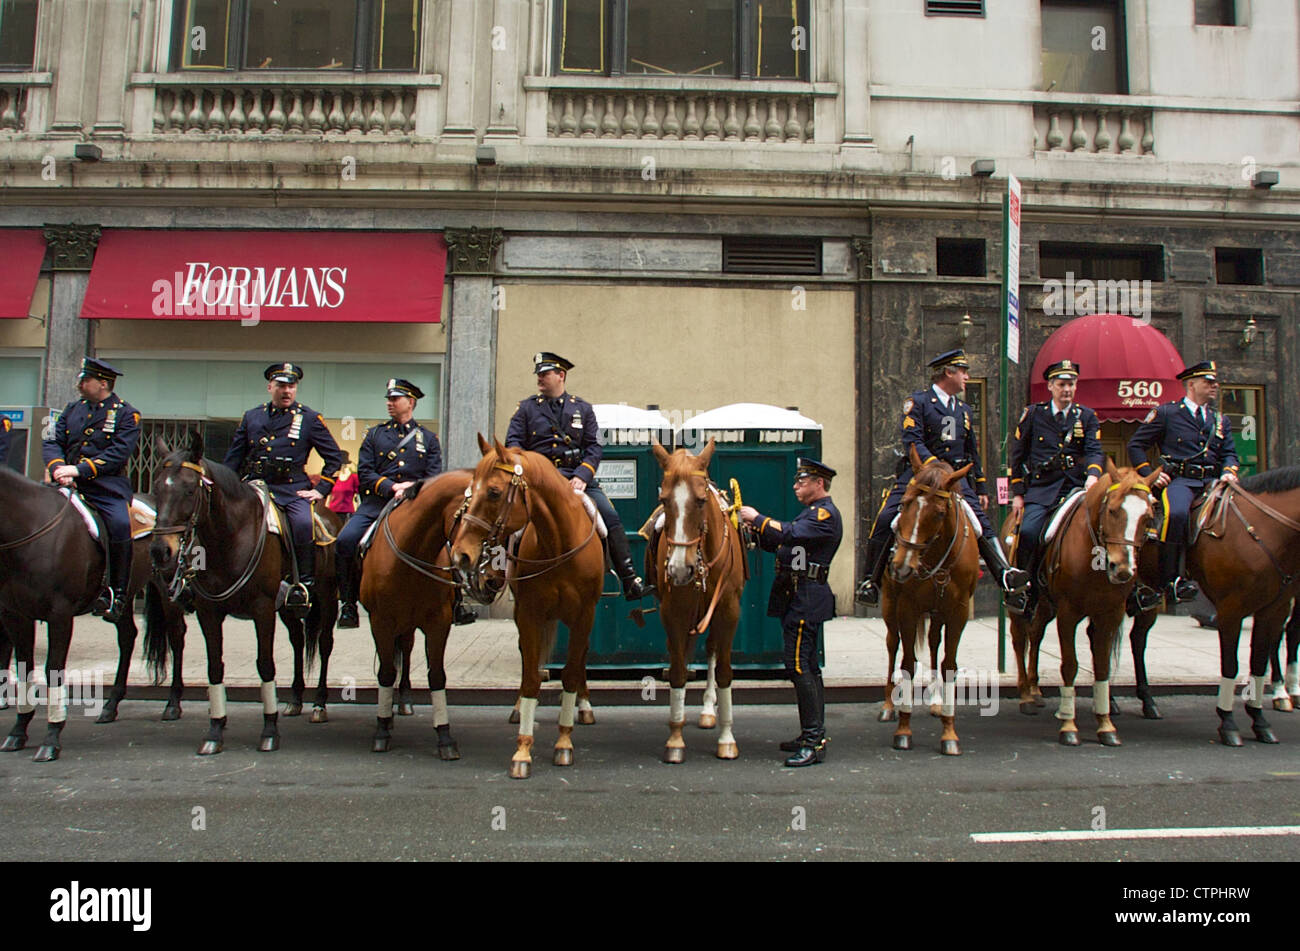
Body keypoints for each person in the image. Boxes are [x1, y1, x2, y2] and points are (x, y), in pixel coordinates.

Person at [857, 349, 1029, 609]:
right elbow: (912, 441)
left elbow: (972, 450)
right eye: (963, 372)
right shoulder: (918, 403)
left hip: (954, 479)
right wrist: (934, 469)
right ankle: (870, 581)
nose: (966, 377)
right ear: (948, 372)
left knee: (981, 525)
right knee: (887, 519)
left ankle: (1005, 576)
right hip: (919, 475)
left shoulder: (963, 410)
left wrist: (979, 485)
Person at [505, 352, 649, 600]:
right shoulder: (526, 409)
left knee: (610, 517)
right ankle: (499, 577)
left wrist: (582, 475)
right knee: (507, 517)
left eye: (545, 373)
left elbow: (594, 447)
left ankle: (628, 578)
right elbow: (513, 444)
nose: (540, 378)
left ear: (561, 375)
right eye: (538, 374)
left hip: (576, 478)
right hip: (539, 482)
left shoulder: (583, 409)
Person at [335, 379, 473, 628]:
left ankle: (457, 601)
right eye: (388, 399)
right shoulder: (375, 435)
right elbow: (365, 472)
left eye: (395, 399)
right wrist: (392, 487)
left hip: (416, 504)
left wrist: (413, 488)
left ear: (410, 403)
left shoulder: (428, 439)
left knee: (452, 540)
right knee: (346, 540)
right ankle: (348, 603)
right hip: (377, 503)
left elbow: (434, 476)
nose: (390, 403)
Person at [739, 458, 842, 767]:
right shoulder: (811, 513)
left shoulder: (823, 514)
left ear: (819, 484)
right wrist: (757, 535)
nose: (796, 486)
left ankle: (814, 741)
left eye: (802, 481)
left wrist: (757, 518)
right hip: (798, 596)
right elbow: (789, 546)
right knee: (807, 667)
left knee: (799, 667)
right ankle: (811, 734)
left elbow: (790, 534)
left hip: (806, 599)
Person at [223, 363, 345, 614]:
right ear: (270, 387)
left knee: (302, 524)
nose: (286, 391)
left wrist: (321, 489)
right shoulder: (252, 417)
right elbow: (233, 460)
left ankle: (305, 583)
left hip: (292, 490)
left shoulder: (309, 418)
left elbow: (333, 457)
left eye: (291, 386)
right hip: (255, 487)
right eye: (281, 385)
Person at [1127, 360, 1238, 605]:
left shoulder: (1220, 421)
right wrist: (1151, 474)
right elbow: (1135, 445)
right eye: (1208, 382)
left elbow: (1229, 452)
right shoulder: (1167, 413)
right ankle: (1171, 580)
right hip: (1181, 481)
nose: (1214, 386)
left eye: (1215, 382)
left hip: (1212, 482)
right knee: (1176, 514)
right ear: (1191, 384)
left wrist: (1229, 470)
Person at [42, 358, 141, 621]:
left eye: (86, 380)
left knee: (120, 525)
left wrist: (80, 470)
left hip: (105, 488)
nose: (80, 384)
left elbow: (119, 453)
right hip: (65, 482)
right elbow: (52, 440)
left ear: (103, 384)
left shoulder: (126, 415)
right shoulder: (71, 409)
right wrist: (59, 467)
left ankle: (116, 592)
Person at [1005, 359, 1103, 615]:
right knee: (1028, 532)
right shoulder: (1034, 415)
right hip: (1043, 489)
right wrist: (1018, 494)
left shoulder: (1087, 416)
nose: (1067, 390)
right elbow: (1018, 455)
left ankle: (1107, 585)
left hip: (1076, 488)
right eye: (1061, 384)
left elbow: (1094, 450)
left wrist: (1093, 475)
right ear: (1050, 386)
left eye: (1071, 384)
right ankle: (1025, 590)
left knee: (1106, 528)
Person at [328, 453, 359, 523]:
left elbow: (358, 497)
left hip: (347, 512)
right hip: (332, 513)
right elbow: (329, 496)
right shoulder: (333, 478)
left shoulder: (353, 478)